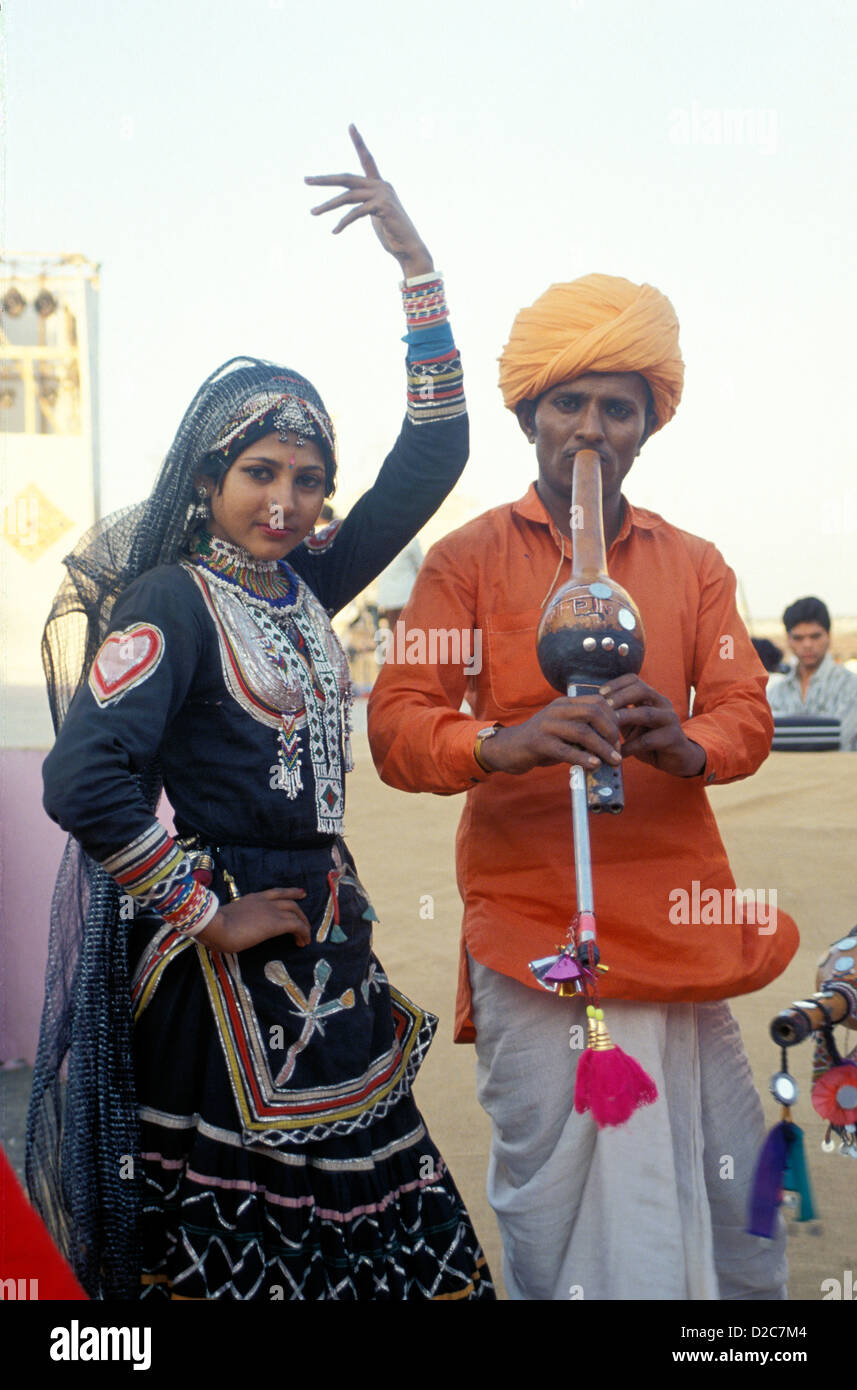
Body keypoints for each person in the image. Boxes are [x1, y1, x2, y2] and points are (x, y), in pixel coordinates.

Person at [28, 128, 493, 1302]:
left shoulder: (304, 583)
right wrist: (199, 911)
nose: (288, 503)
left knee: (374, 1205)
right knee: (231, 1237)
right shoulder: (170, 602)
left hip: (327, 933)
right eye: (260, 476)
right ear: (204, 481)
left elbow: (432, 455)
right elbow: (84, 779)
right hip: (225, 962)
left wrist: (416, 272)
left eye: (307, 479)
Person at [368, 274, 799, 1301]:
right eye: (568, 402)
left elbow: (744, 710)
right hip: (534, 931)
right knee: (554, 1194)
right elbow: (395, 724)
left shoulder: (694, 566)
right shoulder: (465, 562)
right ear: (527, 415)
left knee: (724, 1179)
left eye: (617, 405)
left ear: (649, 423)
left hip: (676, 920)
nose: (591, 428)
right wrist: (502, 744)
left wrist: (682, 743)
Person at [767, 595, 857, 749]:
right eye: (799, 638)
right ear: (788, 639)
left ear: (828, 635)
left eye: (815, 636)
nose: (807, 644)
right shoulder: (776, 693)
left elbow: (843, 740)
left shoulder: (851, 688)